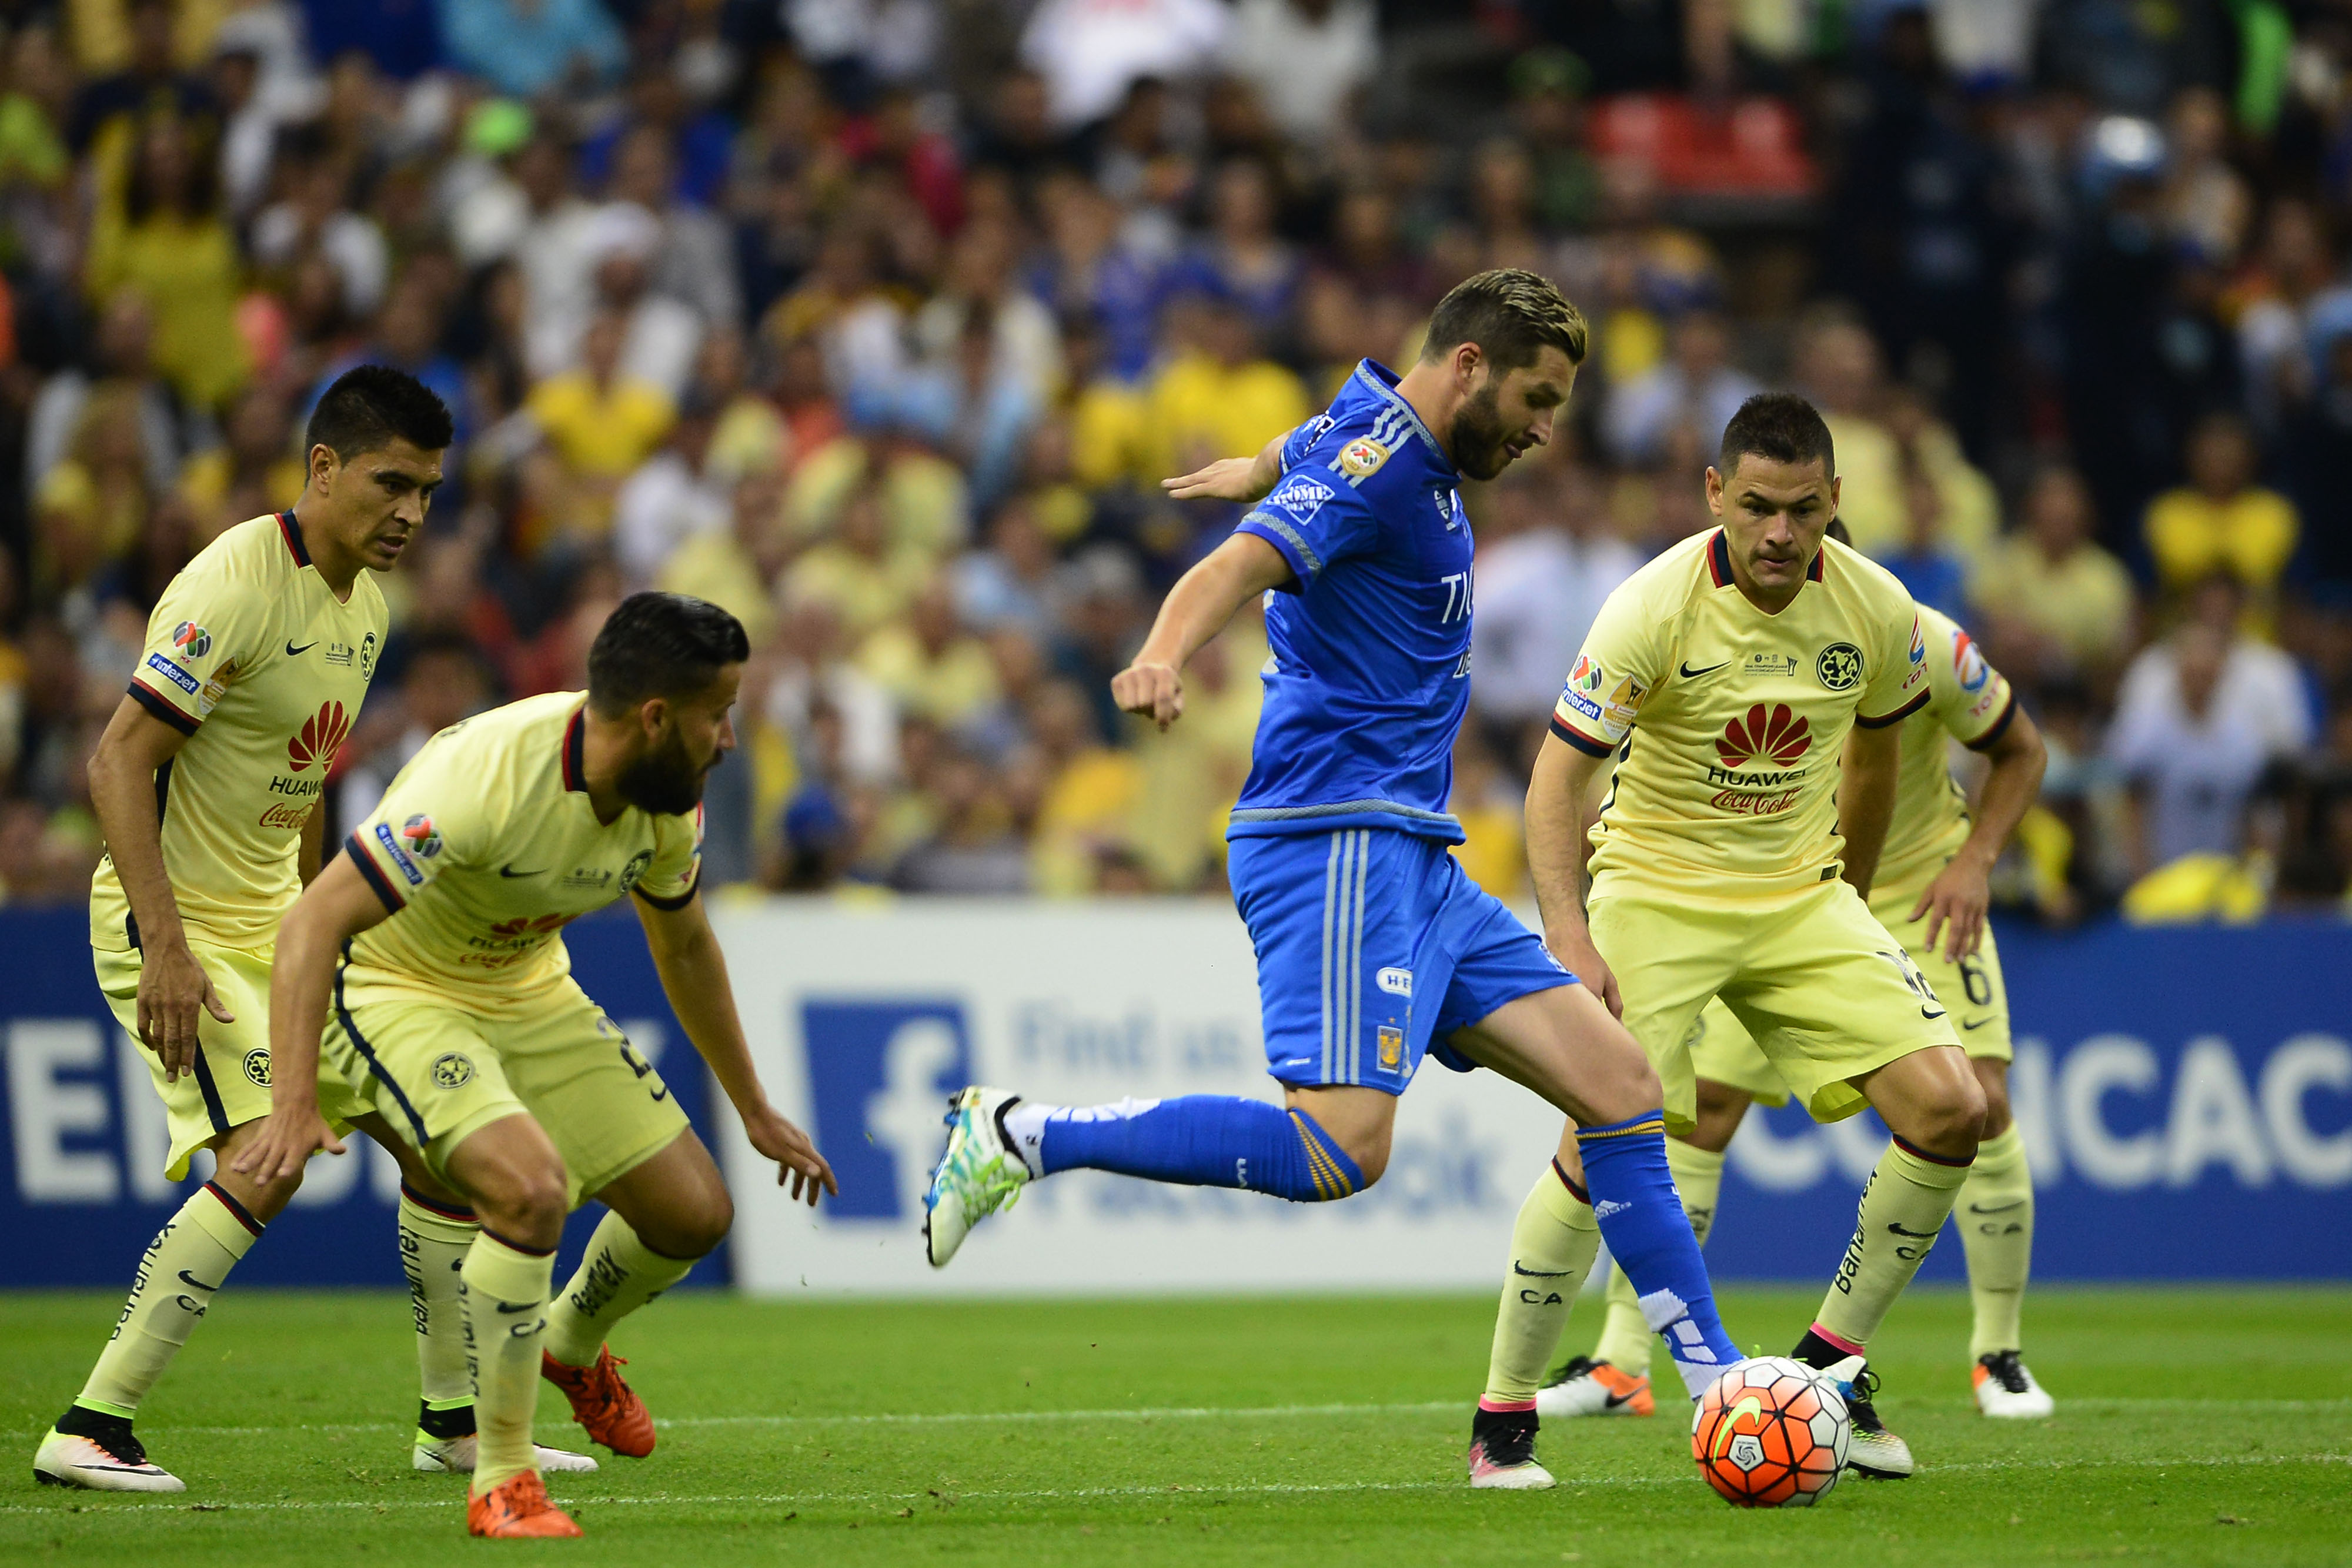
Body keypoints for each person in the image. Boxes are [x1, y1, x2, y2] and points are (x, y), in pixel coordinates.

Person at [918, 270, 1744, 1489]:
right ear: (1467, 364)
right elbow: (1233, 567)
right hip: (1334, 832)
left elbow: (1295, 453)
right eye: (1533, 396)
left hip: (1412, 845)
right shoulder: (1382, 470)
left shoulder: (1366, 419)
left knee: (1620, 1082)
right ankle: (1018, 1133)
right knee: (1339, 1150)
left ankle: (1718, 1383)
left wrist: (1256, 466)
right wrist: (1157, 651)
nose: (1541, 426)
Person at [33, 368, 594, 1491]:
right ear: (323, 468)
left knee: (441, 1148)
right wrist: (170, 948)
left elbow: (308, 786)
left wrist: (324, 933)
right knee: (268, 1157)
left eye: (429, 492)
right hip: (175, 921)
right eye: (392, 483)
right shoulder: (234, 582)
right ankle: (90, 1425)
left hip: (280, 930)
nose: (411, 515)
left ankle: (450, 1425)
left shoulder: (367, 610)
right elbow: (117, 759)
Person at [232, 591, 837, 1539]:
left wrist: (754, 1109)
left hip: (525, 987)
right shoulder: (484, 776)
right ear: (654, 718)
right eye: (717, 715)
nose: (728, 737)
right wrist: (294, 1098)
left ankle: (570, 1344)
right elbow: (314, 920)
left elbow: (685, 951)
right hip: (403, 985)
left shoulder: (665, 800)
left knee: (694, 1214)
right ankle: (503, 1479)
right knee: (529, 1192)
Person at [1482, 394, 1989, 1481]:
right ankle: (1504, 1416)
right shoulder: (1650, 606)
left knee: (1954, 1112)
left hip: (1799, 900)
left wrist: (1842, 899)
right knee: (1597, 1142)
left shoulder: (1876, 606)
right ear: (1715, 494)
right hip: (1654, 894)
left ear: (1835, 504)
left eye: (1804, 510)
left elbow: (1873, 760)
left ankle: (1828, 1373)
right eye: (1757, 506)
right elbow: (1553, 783)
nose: (1779, 533)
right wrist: (1569, 936)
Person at [1536, 519, 2056, 1425]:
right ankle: (1624, 1360)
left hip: (1913, 898)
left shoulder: (1920, 637)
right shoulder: (1704, 621)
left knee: (1977, 1101)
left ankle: (1996, 1354)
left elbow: (2022, 749)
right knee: (1687, 1119)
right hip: (1782, 892)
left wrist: (1976, 862)